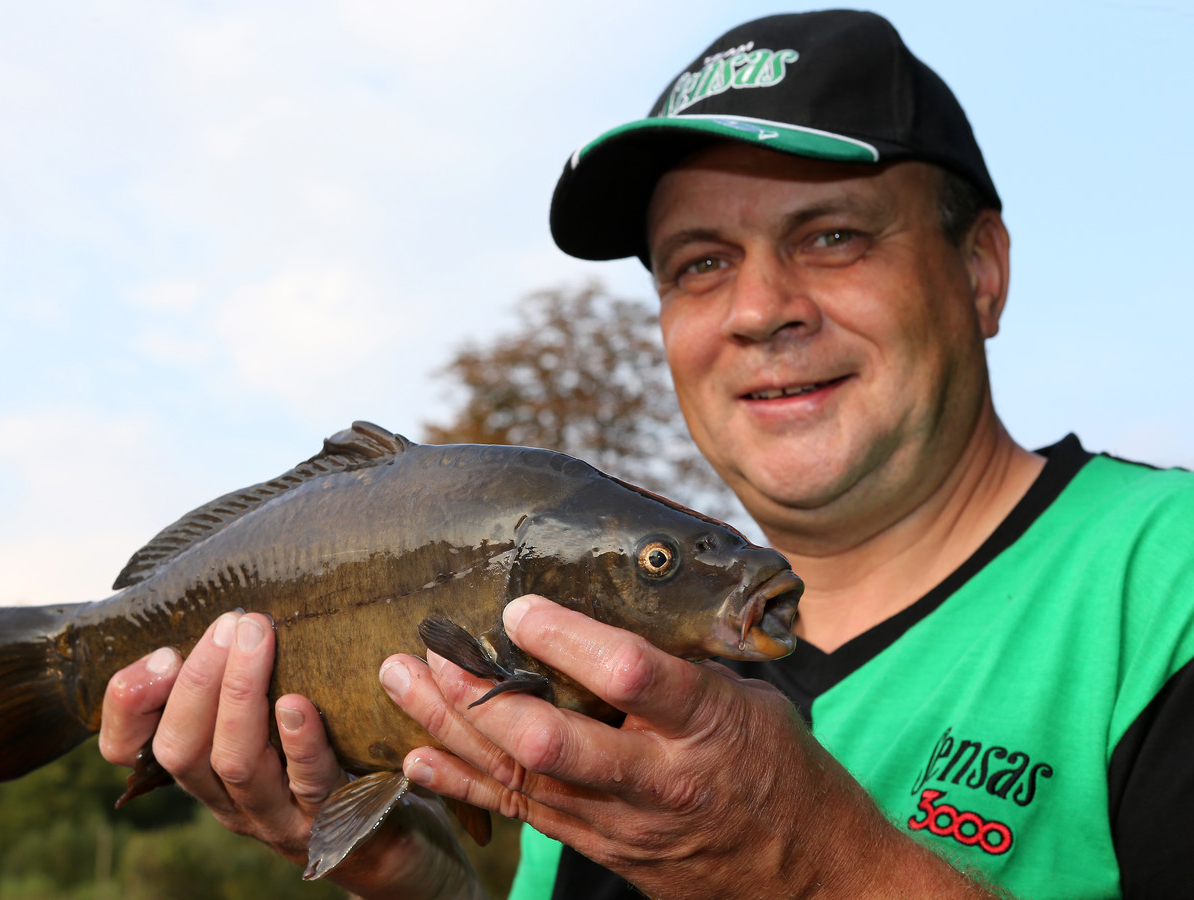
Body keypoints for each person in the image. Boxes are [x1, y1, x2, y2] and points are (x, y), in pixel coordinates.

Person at [98, 10, 1194, 899]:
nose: (759, 309)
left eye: (833, 236)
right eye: (701, 263)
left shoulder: (1165, 582)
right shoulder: (619, 659)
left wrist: (814, 867)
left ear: (982, 270)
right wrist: (406, 876)